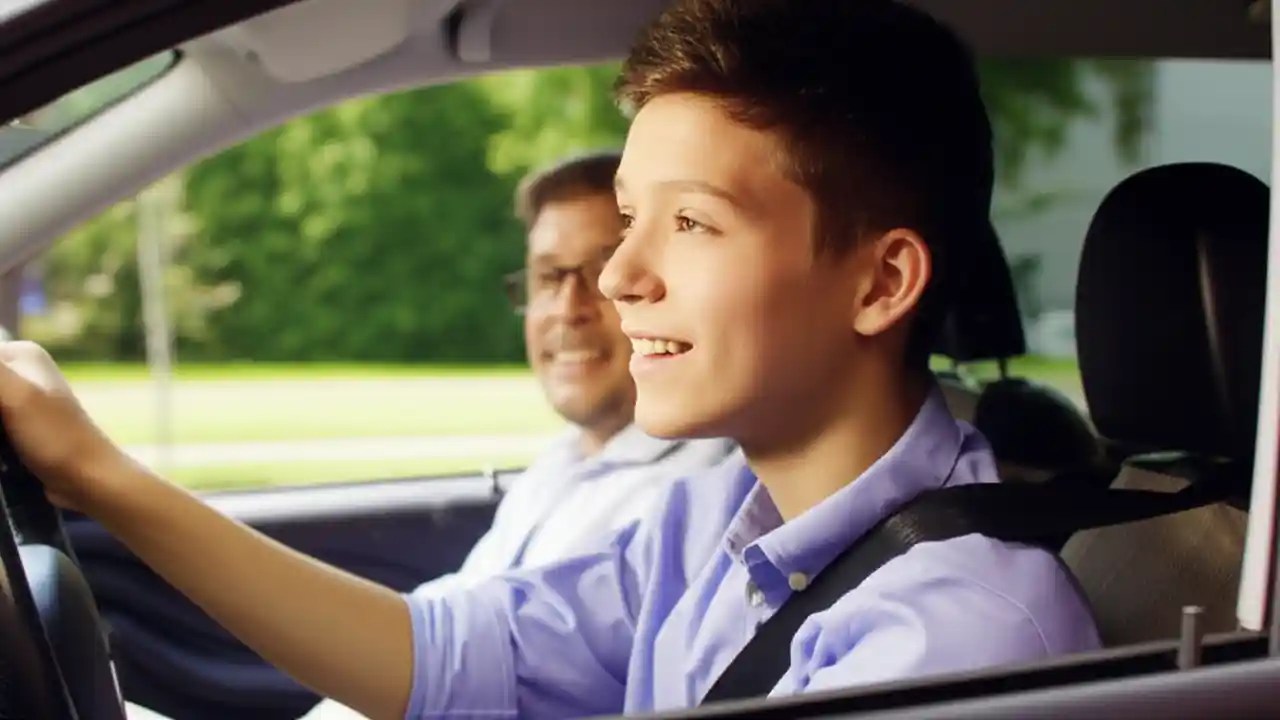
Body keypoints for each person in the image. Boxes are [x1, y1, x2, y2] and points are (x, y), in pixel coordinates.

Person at [0, 2, 1100, 719]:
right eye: (631, 217)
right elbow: (438, 659)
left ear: (879, 284)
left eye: (693, 224)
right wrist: (101, 476)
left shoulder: (947, 640)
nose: (618, 276)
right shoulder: (709, 527)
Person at [296, 152, 734, 719]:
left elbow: (461, 667)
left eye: (603, 272)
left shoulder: (690, 501)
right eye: (549, 277)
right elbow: (449, 617)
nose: (568, 309)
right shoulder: (560, 465)